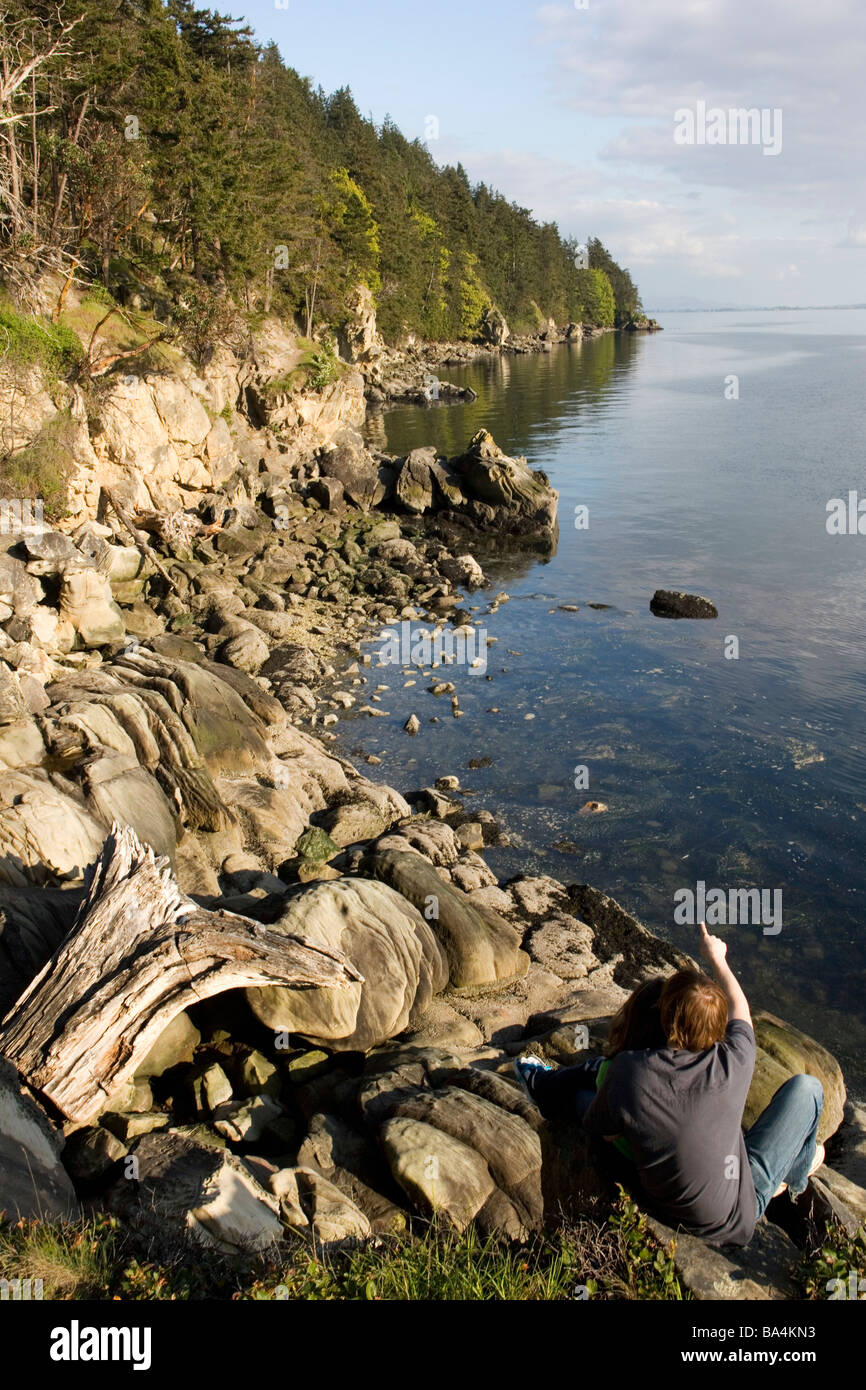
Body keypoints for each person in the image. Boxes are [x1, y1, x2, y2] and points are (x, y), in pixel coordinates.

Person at [515, 922, 825, 1246]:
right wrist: (718, 959)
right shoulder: (735, 1060)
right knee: (808, 1089)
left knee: (583, 1096)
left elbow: (605, 1132)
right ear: (718, 1027)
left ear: (667, 1020)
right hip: (740, 1210)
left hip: (667, 1208)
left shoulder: (632, 1071)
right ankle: (792, 1178)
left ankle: (539, 1082)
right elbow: (740, 1008)